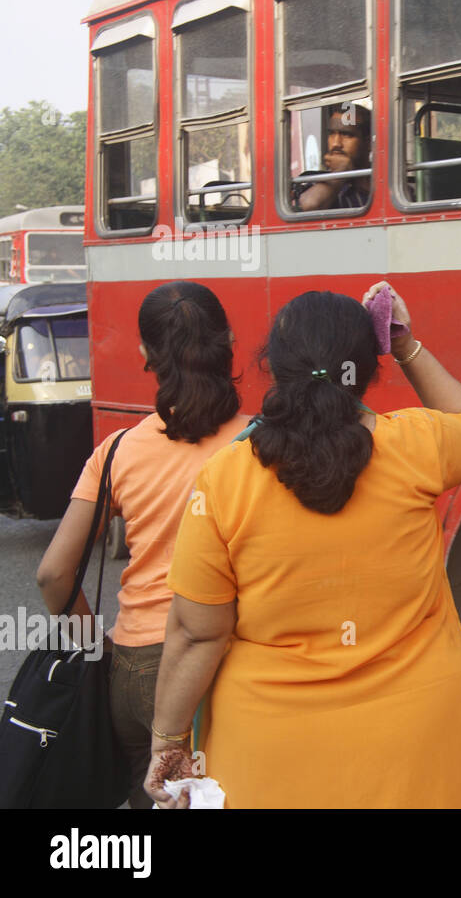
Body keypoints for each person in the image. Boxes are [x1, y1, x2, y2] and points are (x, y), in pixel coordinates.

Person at [145, 284, 461, 808]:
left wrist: (168, 739)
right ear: (369, 368)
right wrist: (405, 345)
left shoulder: (224, 478)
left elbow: (198, 635)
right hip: (421, 738)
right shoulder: (418, 446)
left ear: (274, 366)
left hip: (272, 750)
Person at [35, 281, 247, 809]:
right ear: (230, 342)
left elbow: (53, 575)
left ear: (146, 355)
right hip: (213, 666)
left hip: (131, 669)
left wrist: (100, 647)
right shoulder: (260, 445)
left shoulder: (115, 452)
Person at [296, 103, 371, 211]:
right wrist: (341, 172)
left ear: (368, 142)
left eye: (346, 135)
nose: (336, 143)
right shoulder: (317, 183)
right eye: (331, 134)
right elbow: (310, 204)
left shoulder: (384, 181)